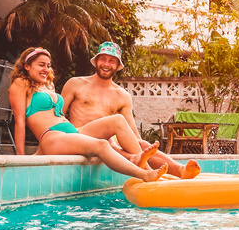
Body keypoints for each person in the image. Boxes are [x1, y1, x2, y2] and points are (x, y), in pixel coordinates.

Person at [8, 46, 167, 182]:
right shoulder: (20, 84)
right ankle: (144, 175)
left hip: (72, 133)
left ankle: (146, 167)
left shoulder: (46, 86)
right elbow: (20, 122)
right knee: (102, 145)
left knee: (117, 120)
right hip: (52, 137)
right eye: (41, 65)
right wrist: (21, 158)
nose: (46, 69)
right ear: (27, 66)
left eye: (48, 65)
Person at [61, 41, 200, 180]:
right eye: (103, 59)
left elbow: (132, 132)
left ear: (118, 66)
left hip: (108, 141)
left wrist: (143, 146)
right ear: (96, 61)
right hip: (80, 135)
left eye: (111, 61)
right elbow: (58, 116)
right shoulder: (75, 84)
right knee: (114, 131)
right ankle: (147, 171)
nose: (106, 64)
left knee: (141, 144)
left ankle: (180, 170)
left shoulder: (122, 95)